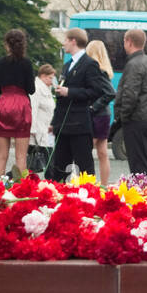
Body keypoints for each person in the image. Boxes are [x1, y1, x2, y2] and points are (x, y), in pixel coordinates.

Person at [46, 28, 109, 181]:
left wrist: (70, 92)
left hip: (80, 124)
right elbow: (60, 100)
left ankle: (89, 195)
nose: (64, 43)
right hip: (63, 124)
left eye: (66, 40)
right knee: (59, 165)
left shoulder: (90, 64)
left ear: (73, 41)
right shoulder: (67, 65)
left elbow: (96, 91)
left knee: (84, 166)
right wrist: (54, 123)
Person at [114, 28, 147, 175]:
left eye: (124, 41)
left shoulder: (134, 64)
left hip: (137, 119)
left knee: (138, 165)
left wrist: (122, 116)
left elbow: (130, 94)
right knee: (146, 160)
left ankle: (144, 195)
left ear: (129, 42)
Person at [0, 29, 34, 177]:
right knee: (21, 157)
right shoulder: (26, 64)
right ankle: (22, 190)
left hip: (4, 104)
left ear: (7, 44)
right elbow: (31, 89)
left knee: (1, 155)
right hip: (21, 105)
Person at [85, 39, 117, 185]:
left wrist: (92, 107)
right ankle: (103, 184)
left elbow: (110, 93)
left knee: (86, 150)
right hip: (104, 114)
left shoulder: (96, 70)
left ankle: (89, 183)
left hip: (96, 115)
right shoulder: (104, 70)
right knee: (102, 152)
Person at [29, 64, 57, 172]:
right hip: (39, 131)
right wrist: (33, 129)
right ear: (43, 76)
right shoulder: (37, 88)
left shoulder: (46, 88)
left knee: (47, 161)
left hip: (47, 131)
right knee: (35, 163)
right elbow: (33, 109)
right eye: (50, 78)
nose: (52, 81)